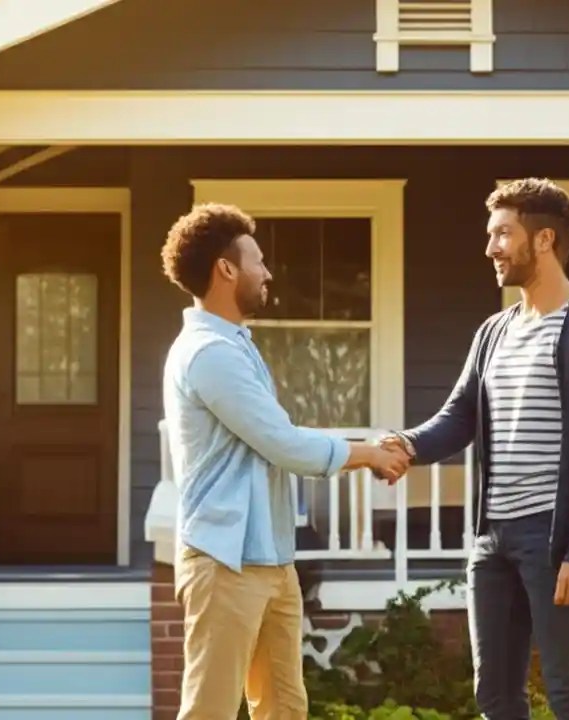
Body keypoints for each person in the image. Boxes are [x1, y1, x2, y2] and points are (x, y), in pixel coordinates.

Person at [380, 178, 569, 719]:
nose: (490, 247)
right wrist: (405, 444)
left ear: (543, 240)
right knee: (494, 694)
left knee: (568, 693)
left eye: (502, 233)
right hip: (491, 538)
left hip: (555, 536)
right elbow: (458, 418)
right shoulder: (494, 331)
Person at [160, 202, 409, 719]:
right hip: (225, 561)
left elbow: (277, 438)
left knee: (284, 707)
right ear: (226, 269)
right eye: (258, 261)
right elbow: (283, 444)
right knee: (209, 709)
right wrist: (367, 455)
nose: (268, 272)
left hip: (270, 557)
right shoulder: (209, 352)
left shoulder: (236, 346)